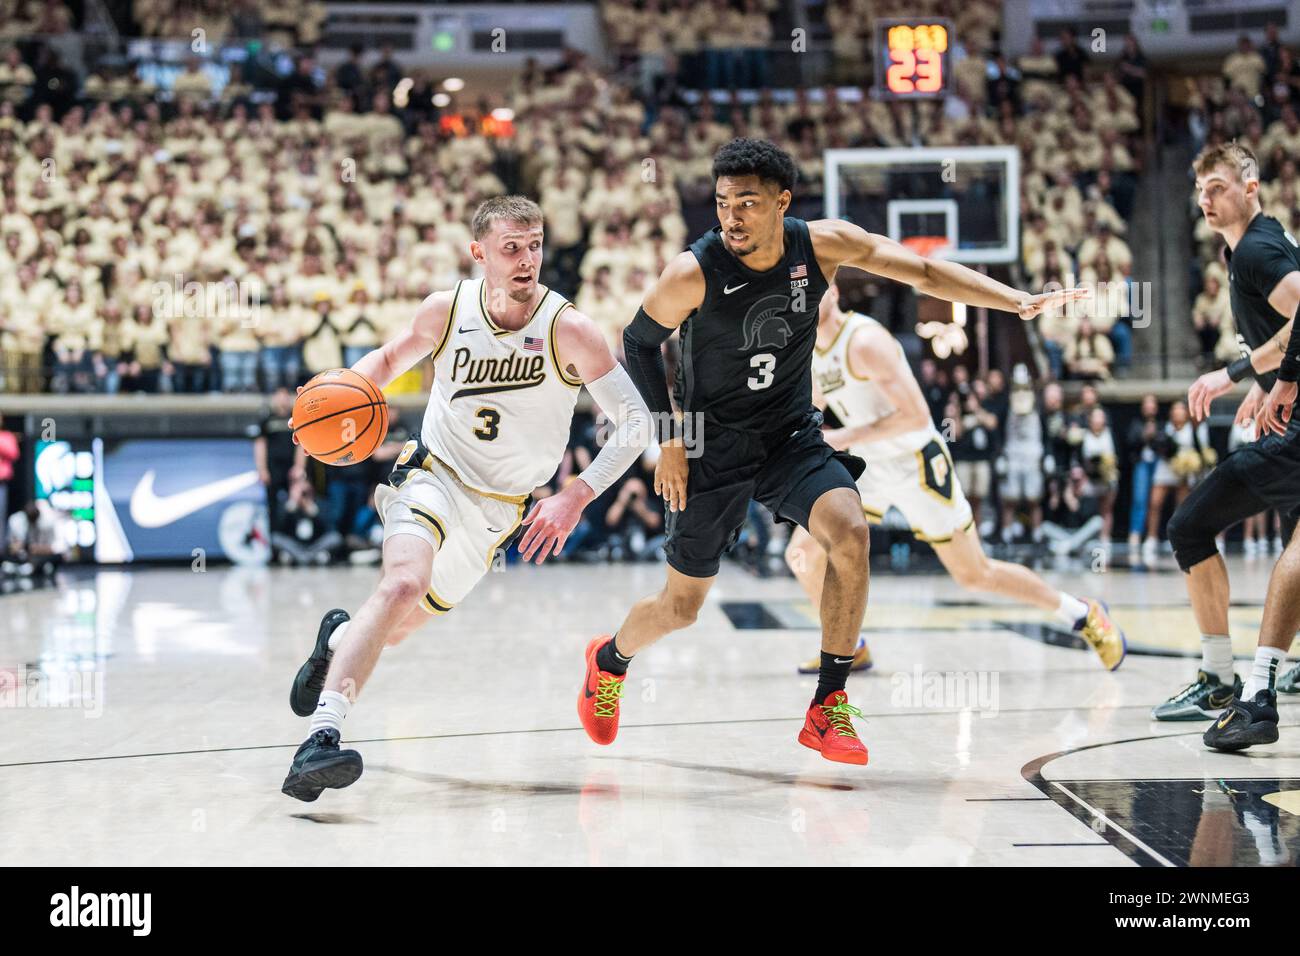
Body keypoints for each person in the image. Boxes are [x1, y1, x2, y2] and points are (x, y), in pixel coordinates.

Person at [579, 138, 1094, 766]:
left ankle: (829, 705)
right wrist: (671, 440)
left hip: (790, 433)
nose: (731, 218)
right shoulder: (693, 272)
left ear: (782, 203)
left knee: (850, 531)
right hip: (711, 445)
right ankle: (609, 662)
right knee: (681, 608)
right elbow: (636, 345)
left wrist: (1014, 300)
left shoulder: (821, 245)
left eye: (747, 203)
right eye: (721, 204)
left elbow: (925, 272)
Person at [280, 196, 651, 801]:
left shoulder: (570, 330)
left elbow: (637, 422)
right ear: (479, 253)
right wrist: (337, 391)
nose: (527, 259)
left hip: (499, 510)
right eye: (512, 248)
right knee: (401, 582)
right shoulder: (446, 310)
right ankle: (321, 739)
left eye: (535, 246)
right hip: (432, 472)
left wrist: (577, 494)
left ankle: (336, 640)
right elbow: (390, 359)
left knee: (394, 629)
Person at [786, 285, 1124, 674]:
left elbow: (915, 417)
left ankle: (1082, 613)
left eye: (814, 286)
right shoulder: (813, 347)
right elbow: (813, 410)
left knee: (975, 574)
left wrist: (841, 437)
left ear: (833, 290)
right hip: (871, 466)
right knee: (802, 555)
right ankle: (852, 643)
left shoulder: (865, 341)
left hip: (916, 465)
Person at [1151, 142, 1300, 739]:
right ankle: (1260, 684)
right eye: (1200, 189)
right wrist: (1264, 381)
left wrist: (1261, 377)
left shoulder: (1258, 250)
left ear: (1250, 186)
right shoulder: (1251, 248)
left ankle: (1225, 679)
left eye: (1216, 186)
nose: (1204, 198)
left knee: (1189, 526)